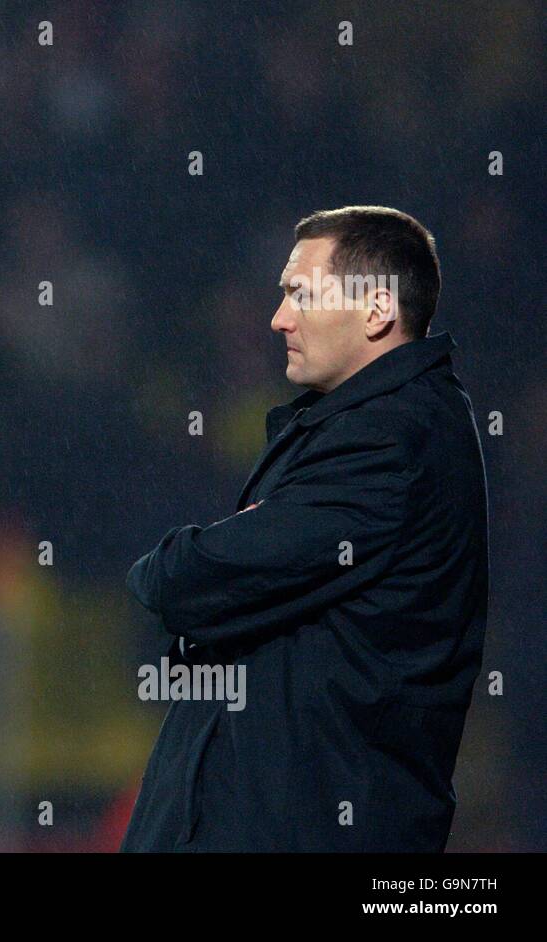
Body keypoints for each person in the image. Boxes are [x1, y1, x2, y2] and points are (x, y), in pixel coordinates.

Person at [121, 206, 489, 852]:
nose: (278, 317)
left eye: (301, 294)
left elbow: (193, 580)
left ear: (377, 312)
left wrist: (182, 562)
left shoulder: (392, 441)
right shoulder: (350, 429)